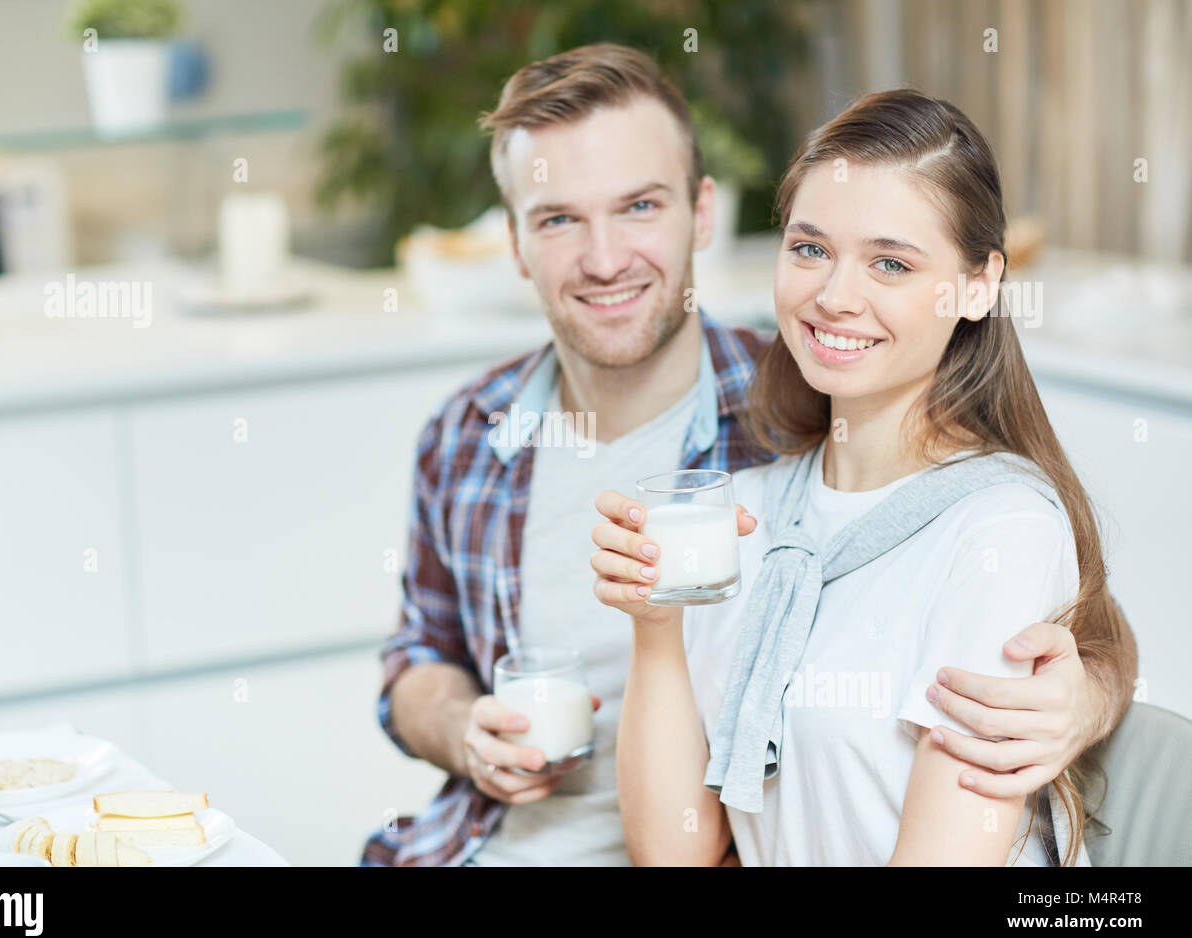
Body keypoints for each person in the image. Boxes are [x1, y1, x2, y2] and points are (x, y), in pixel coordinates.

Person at [363, 45, 1137, 866]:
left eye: (637, 207)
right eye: (558, 218)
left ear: (703, 213)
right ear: (512, 242)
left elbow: (1045, 582)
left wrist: (1093, 685)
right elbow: (420, 653)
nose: (603, 257)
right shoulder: (494, 438)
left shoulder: (790, 405)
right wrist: (632, 639)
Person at [594, 87, 1126, 865]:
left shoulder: (999, 534)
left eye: (890, 263)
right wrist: (654, 626)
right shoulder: (738, 515)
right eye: (810, 249)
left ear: (979, 285)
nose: (836, 297)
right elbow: (675, 853)